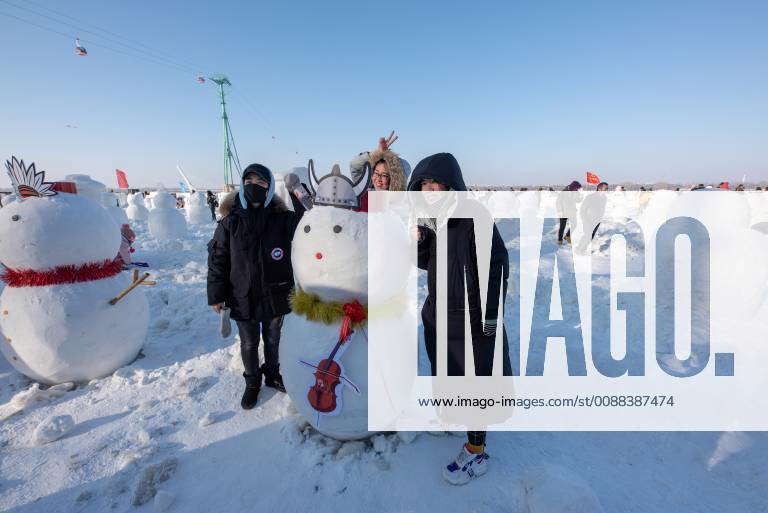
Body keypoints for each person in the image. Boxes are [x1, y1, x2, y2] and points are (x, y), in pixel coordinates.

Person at [408, 153, 511, 486]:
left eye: (434, 183)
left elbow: (497, 267)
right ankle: (452, 416)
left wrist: (490, 318)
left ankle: (476, 450)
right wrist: (420, 243)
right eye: (423, 185)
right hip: (442, 316)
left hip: (471, 321)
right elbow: (430, 264)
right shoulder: (439, 219)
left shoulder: (473, 217)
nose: (429, 189)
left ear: (451, 184)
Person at [207, 164, 307, 410]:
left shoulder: (282, 219)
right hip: (243, 295)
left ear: (270, 187)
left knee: (273, 339)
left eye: (261, 183)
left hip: (275, 292)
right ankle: (252, 381)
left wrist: (297, 191)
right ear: (242, 185)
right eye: (249, 180)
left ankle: (273, 374)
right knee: (249, 342)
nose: (255, 186)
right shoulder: (229, 222)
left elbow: (307, 223)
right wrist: (216, 295)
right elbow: (218, 260)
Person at [556, 180, 582, 245]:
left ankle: (567, 236)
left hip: (572, 211)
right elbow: (558, 202)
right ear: (573, 186)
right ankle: (560, 240)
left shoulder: (576, 192)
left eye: (578, 188)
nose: (577, 189)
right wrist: (560, 211)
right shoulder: (564, 191)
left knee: (574, 224)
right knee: (562, 226)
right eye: (576, 188)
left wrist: (580, 198)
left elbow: (577, 200)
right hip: (563, 211)